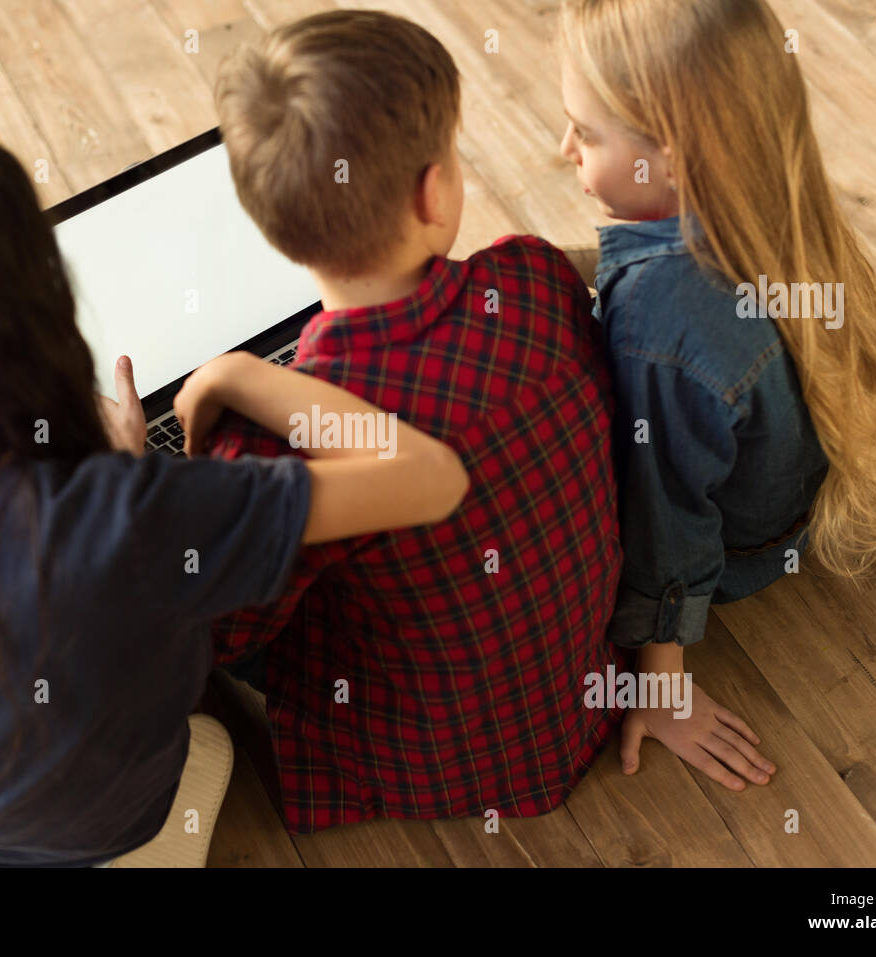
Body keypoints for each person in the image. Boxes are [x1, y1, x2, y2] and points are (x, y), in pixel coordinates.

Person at [0, 115, 467, 866]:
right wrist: (239, 377)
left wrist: (108, 476)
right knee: (210, 736)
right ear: (37, 310)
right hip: (117, 841)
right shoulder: (136, 513)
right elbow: (430, 479)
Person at [202, 9, 628, 834]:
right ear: (435, 192)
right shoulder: (535, 281)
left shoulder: (269, 449)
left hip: (419, 762)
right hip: (579, 699)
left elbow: (213, 638)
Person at [557, 0, 876, 789]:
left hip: (735, 552)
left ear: (677, 159)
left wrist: (661, 681)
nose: (563, 149)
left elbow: (667, 517)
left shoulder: (663, 324)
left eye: (585, 132)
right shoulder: (766, 191)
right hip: (791, 486)